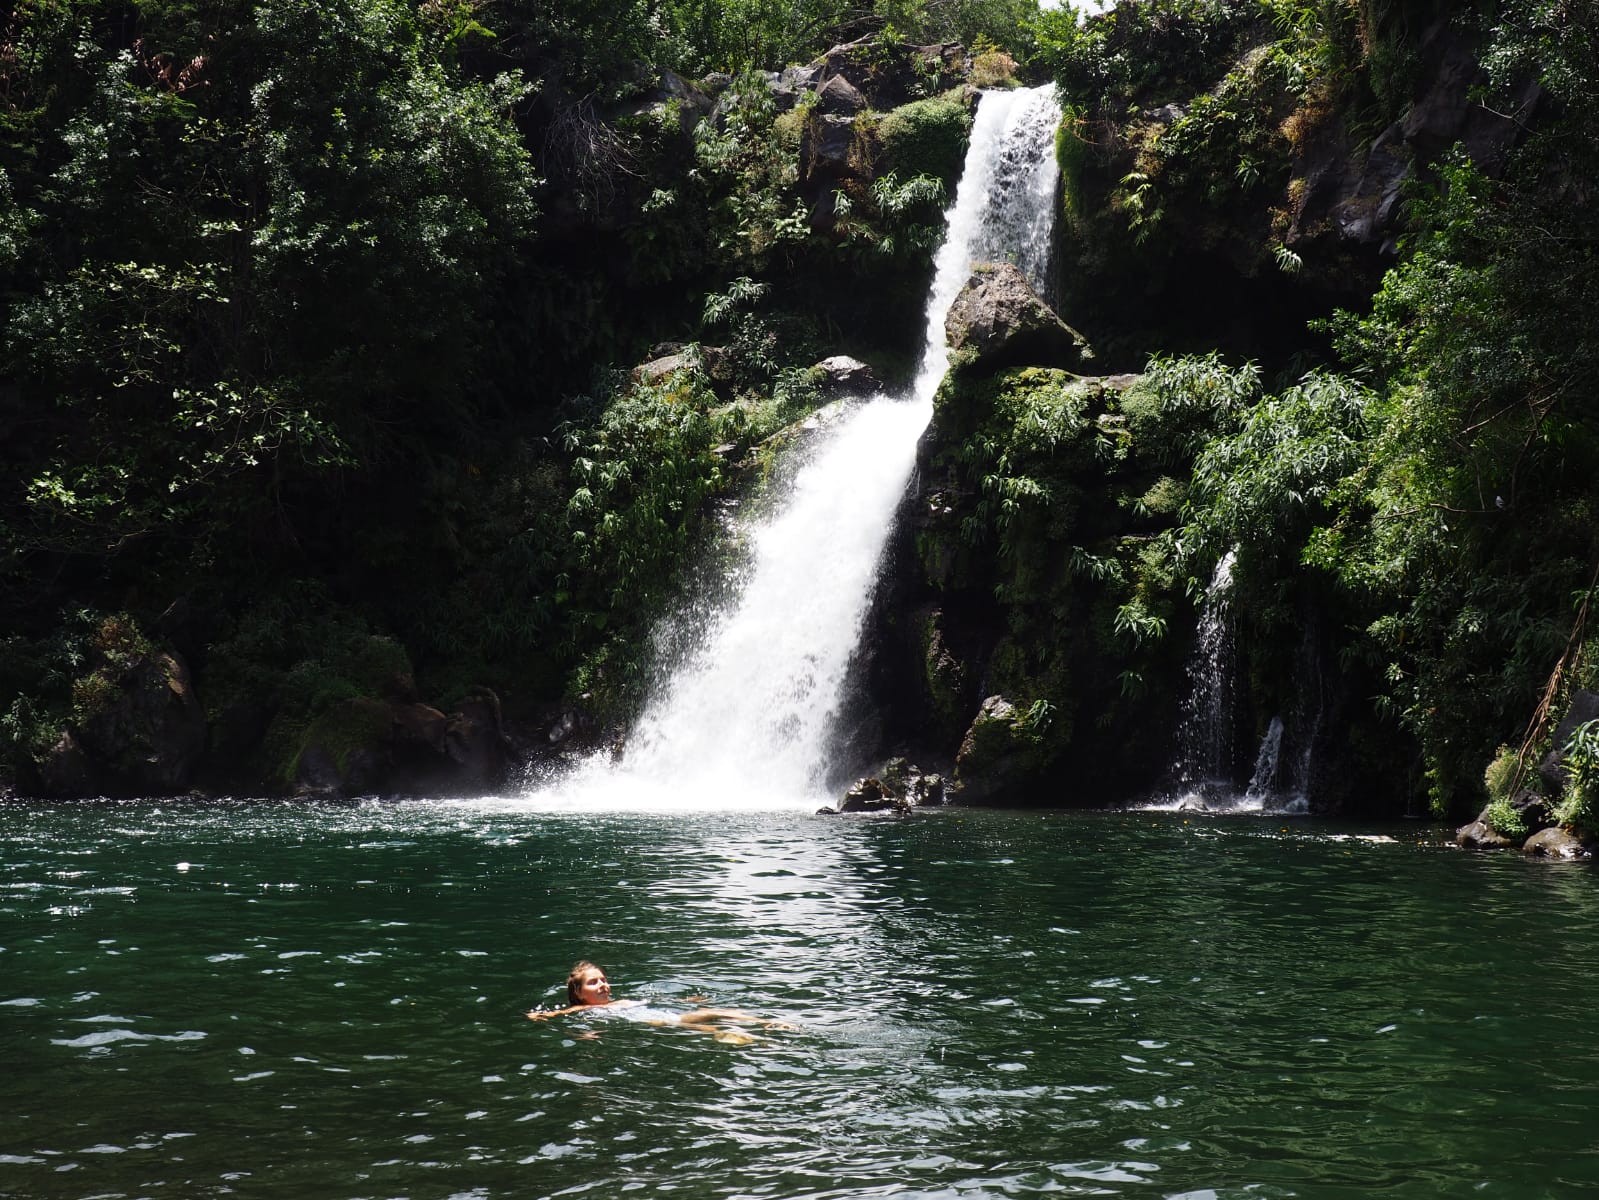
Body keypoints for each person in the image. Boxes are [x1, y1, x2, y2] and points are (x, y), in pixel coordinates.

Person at [526, 961, 790, 1042]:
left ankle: (767, 1023)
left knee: (715, 1011)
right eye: (594, 982)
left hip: (665, 1012)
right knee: (710, 1025)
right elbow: (560, 1014)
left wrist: (688, 999)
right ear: (579, 992)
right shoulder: (582, 1008)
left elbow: (654, 998)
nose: (603, 985)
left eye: (604, 979)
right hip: (657, 1021)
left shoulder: (621, 1001)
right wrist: (543, 1016)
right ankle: (751, 1038)